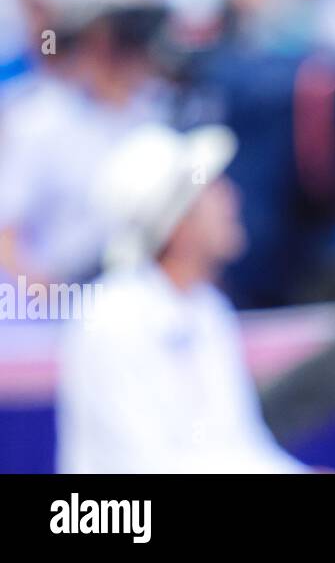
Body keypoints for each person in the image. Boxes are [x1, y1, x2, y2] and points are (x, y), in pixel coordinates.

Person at [57, 123, 309, 473]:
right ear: (177, 222)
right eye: (212, 189)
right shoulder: (111, 318)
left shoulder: (209, 310)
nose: (231, 198)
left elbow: (242, 444)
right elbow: (144, 466)